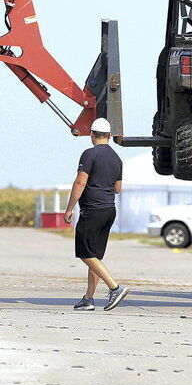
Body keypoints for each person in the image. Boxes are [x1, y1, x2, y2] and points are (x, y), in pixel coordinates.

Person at [64, 117, 130, 311]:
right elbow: (117, 188)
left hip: (92, 210)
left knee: (85, 253)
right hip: (109, 210)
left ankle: (115, 288)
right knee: (95, 257)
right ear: (109, 136)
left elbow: (80, 183)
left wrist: (69, 208)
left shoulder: (89, 154)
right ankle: (88, 299)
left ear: (92, 135)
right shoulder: (117, 159)